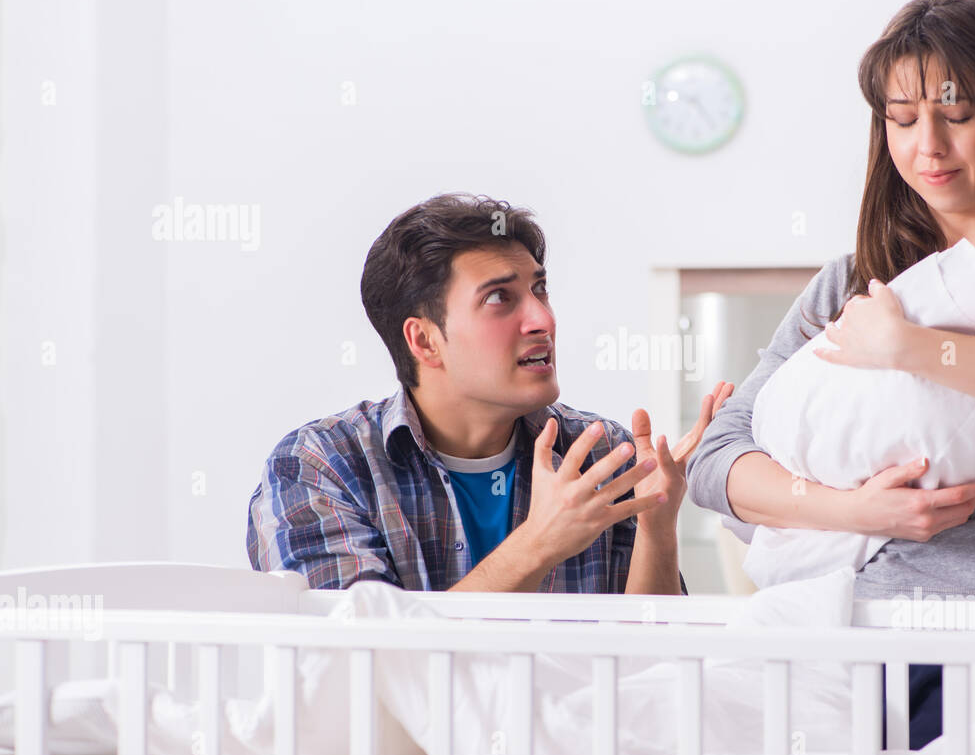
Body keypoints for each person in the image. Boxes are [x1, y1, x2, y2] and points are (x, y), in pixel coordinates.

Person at [685, 0, 975, 749]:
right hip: (844, 623)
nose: (927, 145)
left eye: (956, 114)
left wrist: (910, 349)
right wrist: (861, 512)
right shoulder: (851, 278)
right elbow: (716, 462)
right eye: (901, 119)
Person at [247, 192, 733, 594]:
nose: (543, 320)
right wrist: (541, 542)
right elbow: (362, 667)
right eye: (499, 298)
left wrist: (658, 529)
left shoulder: (601, 454)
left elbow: (649, 672)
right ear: (424, 340)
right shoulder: (320, 466)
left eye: (540, 290)